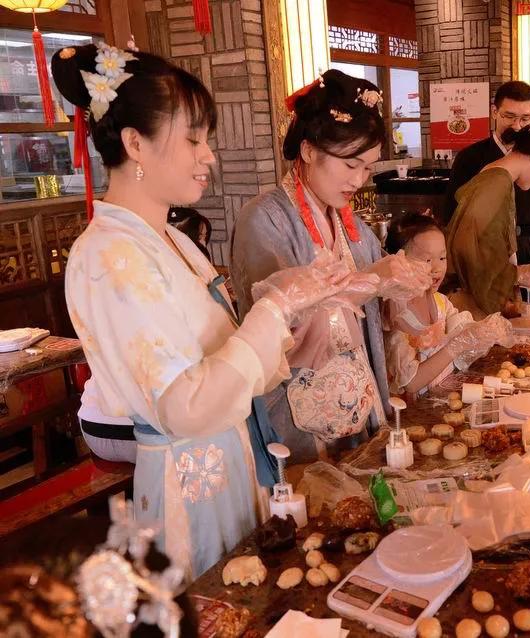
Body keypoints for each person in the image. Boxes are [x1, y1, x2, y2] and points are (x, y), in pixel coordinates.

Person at [53, 43, 345, 578]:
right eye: (192, 139)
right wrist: (273, 309)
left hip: (229, 452)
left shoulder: (173, 239)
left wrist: (290, 303)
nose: (209, 155)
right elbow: (182, 407)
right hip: (190, 477)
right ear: (135, 143)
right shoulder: (109, 255)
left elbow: (228, 358)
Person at [231, 69, 433, 465]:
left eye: (367, 168)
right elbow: (273, 319)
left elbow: (382, 314)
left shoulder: (350, 222)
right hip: (299, 402)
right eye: (350, 164)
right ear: (308, 151)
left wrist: (407, 283)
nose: (358, 180)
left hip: (358, 395)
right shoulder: (264, 219)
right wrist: (371, 280)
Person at [383, 212, 514, 399]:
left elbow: (464, 335)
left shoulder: (441, 302)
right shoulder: (395, 316)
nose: (437, 268)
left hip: (442, 398)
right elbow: (411, 384)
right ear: (398, 263)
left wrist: (484, 332)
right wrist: (455, 346)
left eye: (442, 258)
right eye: (427, 260)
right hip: (413, 410)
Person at [446, 123, 530, 319]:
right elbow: (465, 249)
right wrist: (518, 273)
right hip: (471, 307)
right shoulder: (497, 182)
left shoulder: (497, 174)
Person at [442, 81, 530, 266]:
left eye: (525, 119)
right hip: (486, 254)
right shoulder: (469, 157)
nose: (517, 126)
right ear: (494, 112)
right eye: (510, 116)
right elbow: (452, 214)